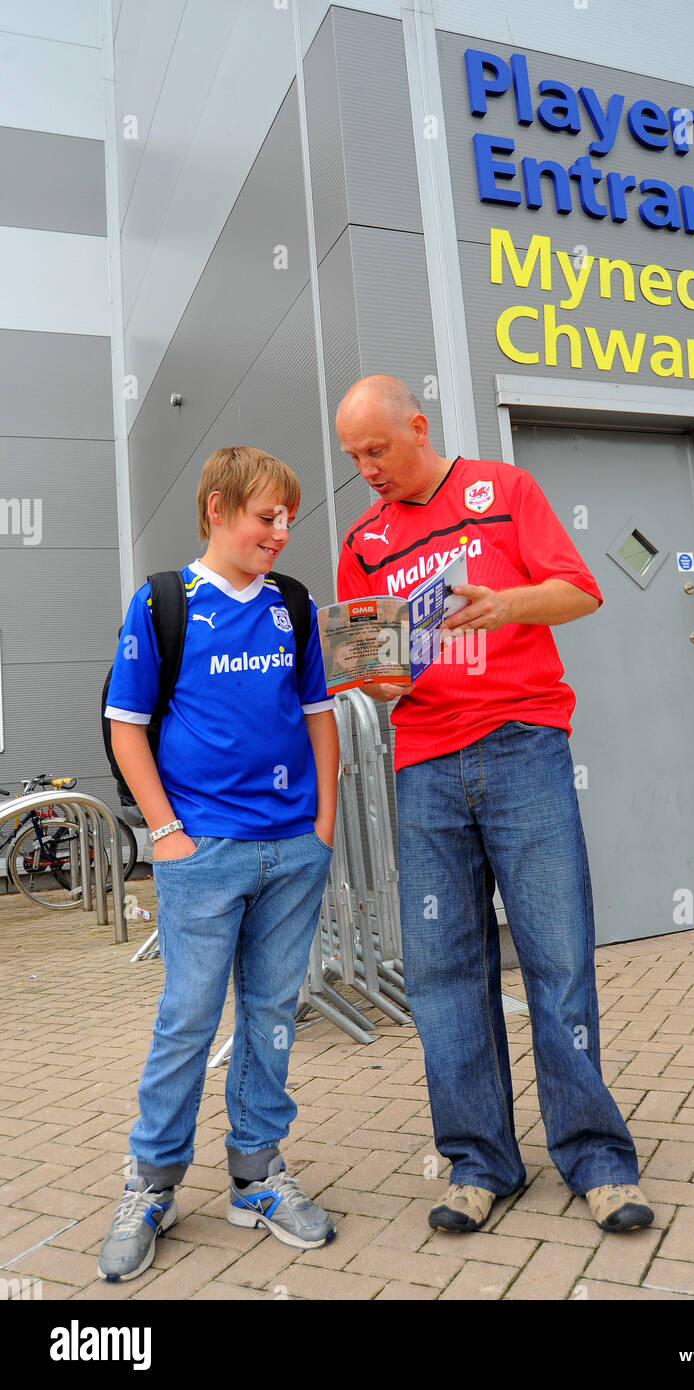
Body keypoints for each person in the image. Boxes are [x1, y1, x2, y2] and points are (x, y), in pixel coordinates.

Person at [335, 376, 653, 1236]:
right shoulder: (361, 540)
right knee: (441, 975)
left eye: (378, 449)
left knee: (558, 959)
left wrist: (500, 604)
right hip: (426, 763)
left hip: (524, 746)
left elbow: (582, 590)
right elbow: (383, 669)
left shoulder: (501, 490)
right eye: (353, 456)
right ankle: (481, 1162)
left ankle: (597, 1159)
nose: (366, 468)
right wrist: (371, 673)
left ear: (418, 427)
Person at [98, 446, 339, 1281]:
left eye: (287, 518)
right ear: (215, 509)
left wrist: (324, 827)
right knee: (189, 1018)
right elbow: (127, 722)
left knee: (271, 1012)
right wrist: (164, 831)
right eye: (265, 516)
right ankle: (152, 1184)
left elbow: (319, 714)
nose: (280, 532)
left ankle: (256, 1176)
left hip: (291, 849)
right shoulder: (165, 602)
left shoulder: (295, 607)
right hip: (202, 852)